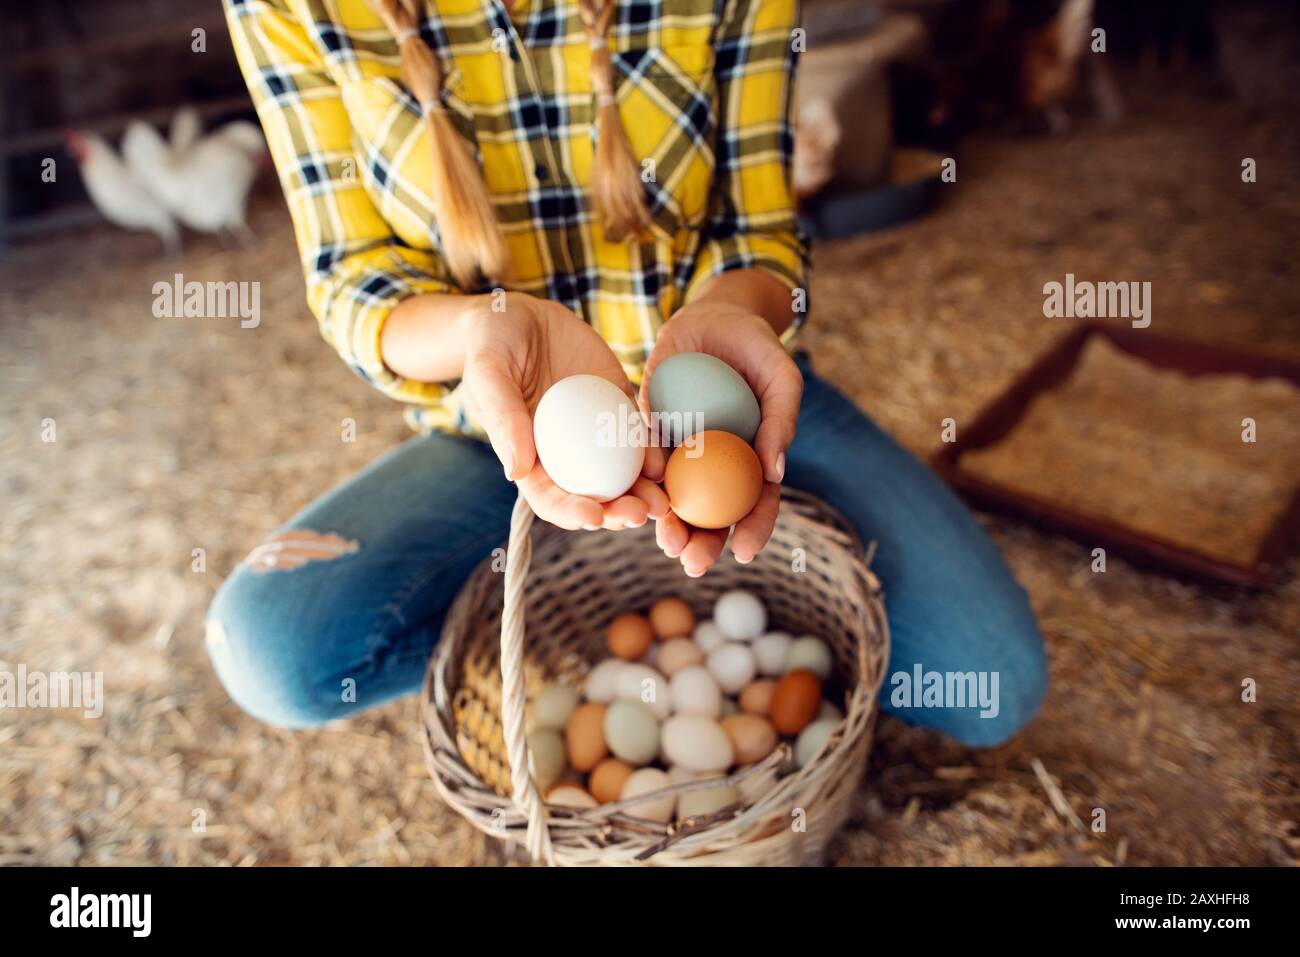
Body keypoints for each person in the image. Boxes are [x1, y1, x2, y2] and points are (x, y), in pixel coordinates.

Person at [207, 0, 1046, 746]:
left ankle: (650, 596)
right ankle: (599, 592)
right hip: (501, 437)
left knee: (994, 682)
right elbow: (353, 283)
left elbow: (761, 234)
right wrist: (484, 331)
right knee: (278, 648)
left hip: (720, 405)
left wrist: (735, 316)